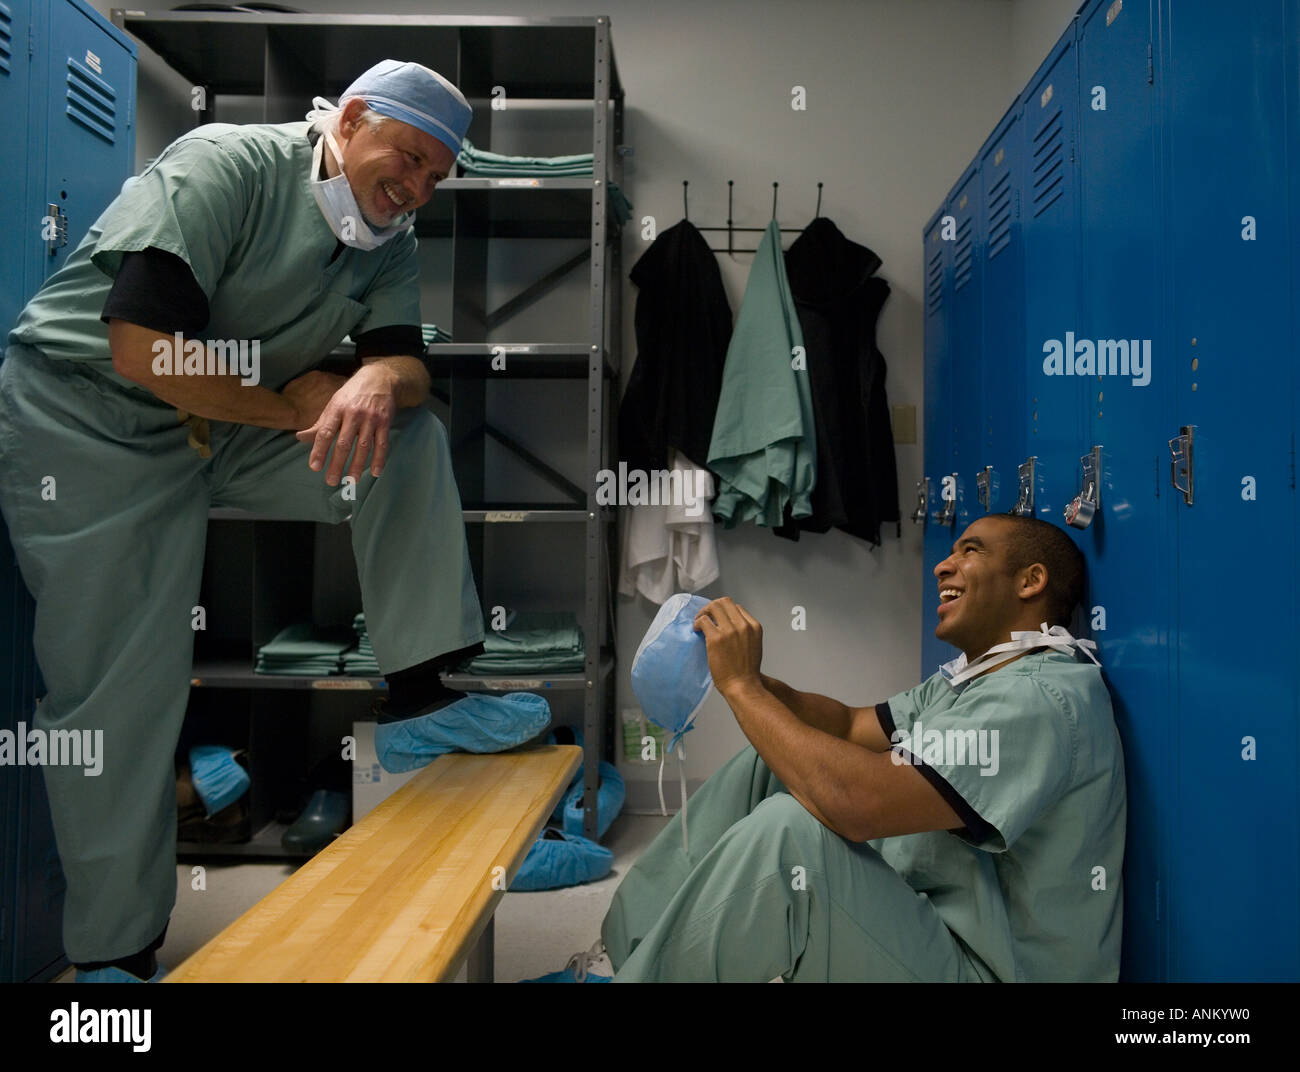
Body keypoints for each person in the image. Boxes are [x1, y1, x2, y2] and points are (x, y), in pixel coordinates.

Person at [0, 60, 545, 984]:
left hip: (223, 419)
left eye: (435, 178)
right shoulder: (227, 164)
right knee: (117, 703)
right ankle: (113, 962)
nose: (414, 187)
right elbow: (140, 345)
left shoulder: (389, 238)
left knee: (405, 439)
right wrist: (292, 404)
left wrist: (377, 376)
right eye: (408, 157)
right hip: (85, 424)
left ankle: (419, 699)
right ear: (358, 118)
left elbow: (406, 365)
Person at [561, 513, 1125, 982]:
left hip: (990, 971)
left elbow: (859, 805)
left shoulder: (1039, 699)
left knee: (792, 834)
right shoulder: (981, 675)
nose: (942, 565)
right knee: (772, 764)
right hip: (941, 935)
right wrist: (745, 674)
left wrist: (740, 689)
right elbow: (851, 725)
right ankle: (623, 958)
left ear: (1031, 582)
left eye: (969, 551)